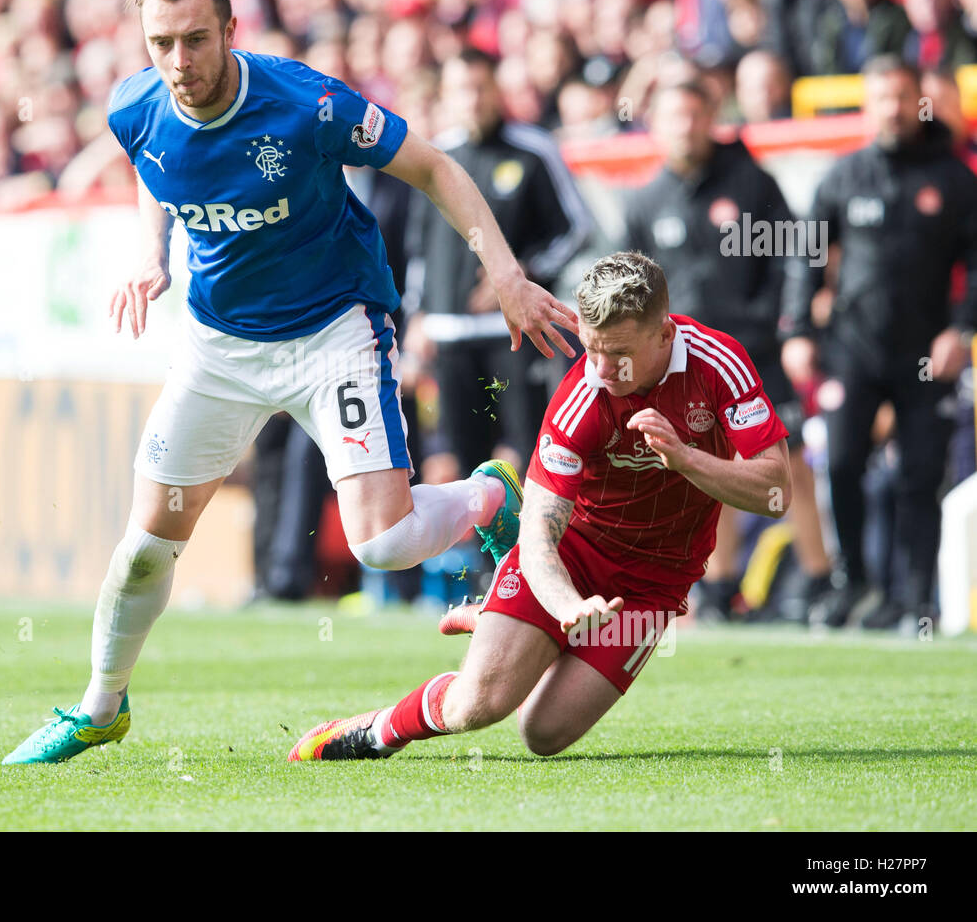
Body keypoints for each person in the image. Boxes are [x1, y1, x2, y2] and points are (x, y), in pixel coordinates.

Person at [2, 0, 579, 764]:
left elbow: (433, 166)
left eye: (196, 40)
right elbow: (151, 167)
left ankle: (489, 496)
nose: (179, 63)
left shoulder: (305, 103)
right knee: (142, 550)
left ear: (231, 30)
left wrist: (507, 273)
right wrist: (149, 251)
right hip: (217, 344)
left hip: (333, 330)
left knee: (379, 541)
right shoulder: (133, 105)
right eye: (161, 43)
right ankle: (101, 705)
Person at [290, 252, 792, 762]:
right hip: (571, 553)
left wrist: (685, 460)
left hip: (654, 583)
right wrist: (567, 606)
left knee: (542, 734)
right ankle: (375, 733)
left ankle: (503, 625)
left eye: (617, 352)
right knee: (477, 706)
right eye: (591, 349)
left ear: (663, 335)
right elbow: (538, 539)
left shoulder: (719, 365)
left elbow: (776, 492)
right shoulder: (583, 392)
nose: (600, 368)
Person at [781, 55, 977, 630]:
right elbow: (806, 253)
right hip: (852, 349)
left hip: (927, 352)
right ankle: (855, 583)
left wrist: (961, 330)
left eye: (902, 96)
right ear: (869, 105)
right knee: (839, 461)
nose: (893, 108)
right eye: (882, 97)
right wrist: (797, 330)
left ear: (921, 99)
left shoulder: (955, 179)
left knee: (920, 472)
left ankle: (915, 599)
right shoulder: (844, 175)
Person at [626, 79, 829, 620]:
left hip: (754, 350)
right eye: (673, 117)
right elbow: (631, 287)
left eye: (694, 116)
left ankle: (820, 580)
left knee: (791, 464)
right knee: (707, 470)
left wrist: (791, 327)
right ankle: (719, 589)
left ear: (711, 116)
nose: (684, 127)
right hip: (684, 360)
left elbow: (797, 254)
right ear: (656, 124)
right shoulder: (646, 200)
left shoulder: (750, 181)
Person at [404, 47, 592, 482]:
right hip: (448, 336)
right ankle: (486, 553)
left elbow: (576, 227)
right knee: (465, 464)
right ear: (446, 97)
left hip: (516, 333)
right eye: (461, 90)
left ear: (496, 90)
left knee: (530, 451)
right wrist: (417, 316)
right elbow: (418, 249)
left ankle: (534, 549)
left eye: (479, 87)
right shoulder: (432, 158)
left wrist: (519, 275)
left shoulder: (533, 149)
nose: (472, 99)